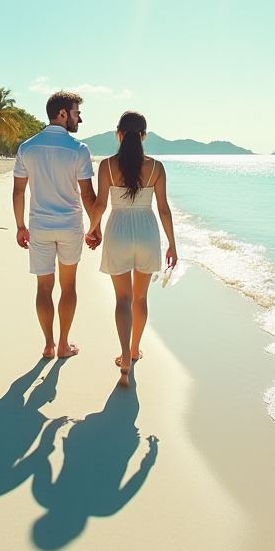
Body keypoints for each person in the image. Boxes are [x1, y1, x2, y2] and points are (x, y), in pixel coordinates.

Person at [85, 111, 177, 388]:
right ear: (144, 135)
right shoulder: (156, 167)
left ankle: (124, 353)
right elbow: (162, 208)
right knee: (140, 298)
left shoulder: (108, 166)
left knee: (123, 299)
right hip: (148, 232)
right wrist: (172, 243)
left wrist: (92, 228)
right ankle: (135, 350)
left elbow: (100, 204)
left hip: (118, 230)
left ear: (118, 134)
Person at [12, 92, 98, 359]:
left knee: (44, 288)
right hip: (70, 226)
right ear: (62, 113)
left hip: (39, 226)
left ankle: (48, 345)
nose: (79, 118)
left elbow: (18, 192)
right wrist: (95, 226)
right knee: (68, 286)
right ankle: (63, 345)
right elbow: (87, 195)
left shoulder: (27, 147)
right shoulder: (79, 149)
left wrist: (20, 226)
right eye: (76, 113)